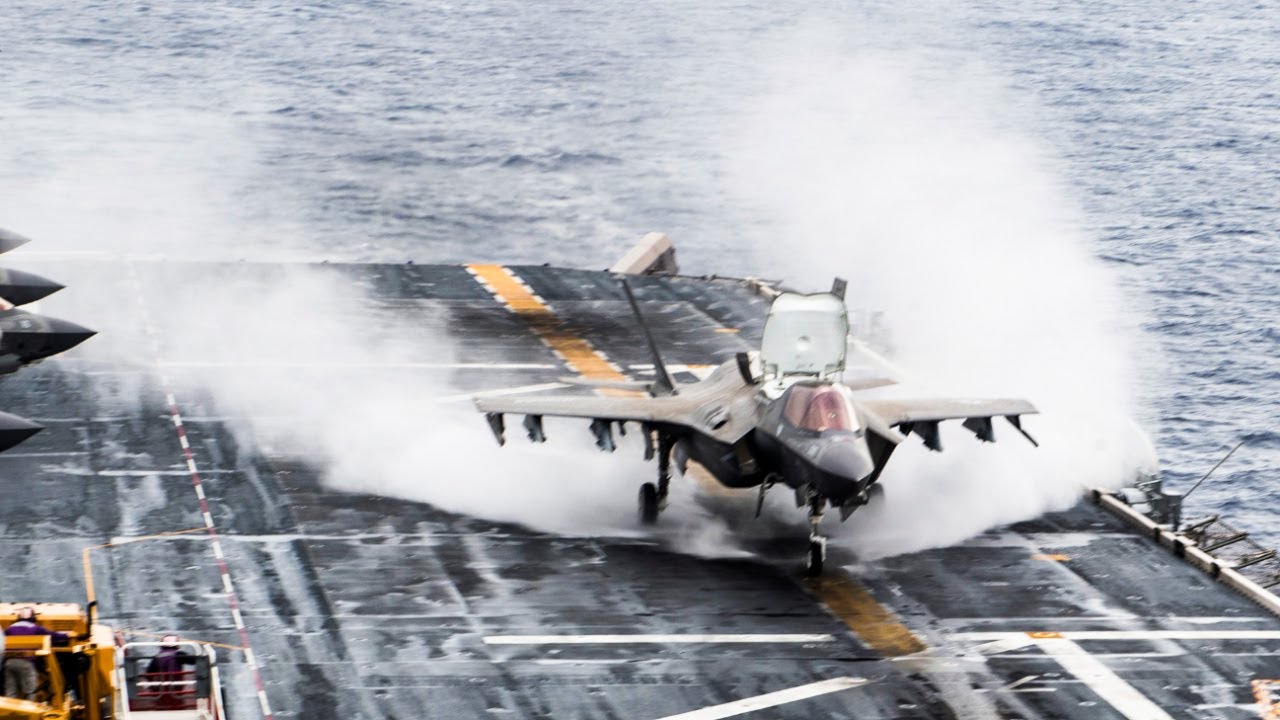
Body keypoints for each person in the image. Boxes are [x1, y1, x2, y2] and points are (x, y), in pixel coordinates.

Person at [4, 607, 69, 700]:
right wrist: (67, 635)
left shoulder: (10, 629)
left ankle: (10, 708)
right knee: (30, 692)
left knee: (11, 693)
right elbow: (53, 636)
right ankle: (30, 708)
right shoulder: (36, 629)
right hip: (26, 664)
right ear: (33, 618)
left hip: (9, 663)